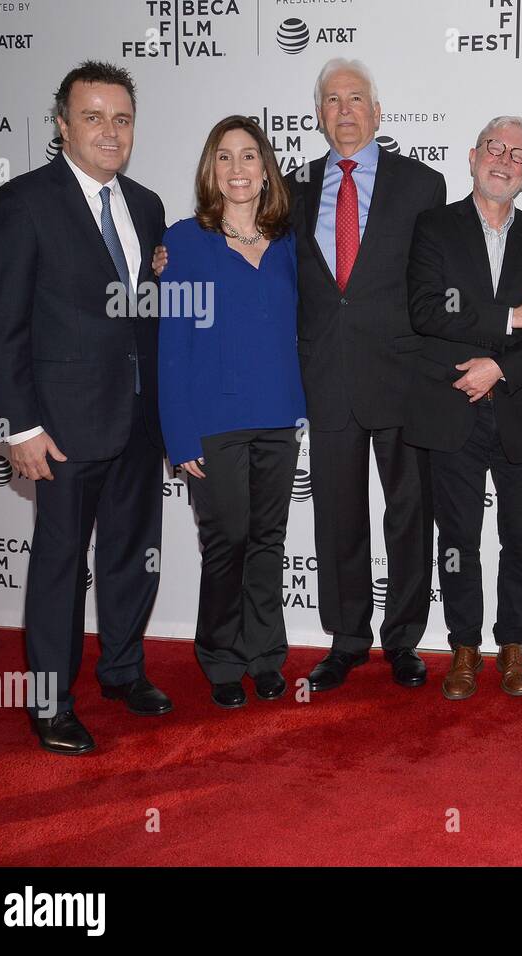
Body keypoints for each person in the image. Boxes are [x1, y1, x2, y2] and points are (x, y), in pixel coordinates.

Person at [0, 60, 171, 754]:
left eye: (121, 118)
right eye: (93, 117)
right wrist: (17, 424)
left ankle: (121, 671)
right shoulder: (21, 204)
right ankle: (49, 703)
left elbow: (143, 316)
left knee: (130, 553)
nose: (109, 131)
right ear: (61, 125)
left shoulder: (146, 206)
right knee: (59, 563)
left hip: (140, 421)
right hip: (58, 427)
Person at [285, 59, 446, 694]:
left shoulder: (421, 185)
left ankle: (403, 638)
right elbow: (246, 244)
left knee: (409, 513)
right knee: (337, 517)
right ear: (319, 115)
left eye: (356, 99)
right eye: (332, 100)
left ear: (377, 113)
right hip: (326, 376)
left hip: (403, 378)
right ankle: (347, 639)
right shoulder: (292, 188)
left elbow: (438, 282)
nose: (344, 110)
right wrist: (174, 254)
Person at [405, 116, 522, 700]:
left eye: (518, 155)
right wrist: (510, 317)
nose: (504, 160)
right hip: (451, 409)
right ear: (472, 156)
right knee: (457, 537)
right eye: (495, 149)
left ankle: (513, 644)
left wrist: (498, 365)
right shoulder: (433, 227)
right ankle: (463, 647)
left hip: (520, 408)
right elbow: (426, 310)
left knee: (521, 534)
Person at [158, 116, 306, 708]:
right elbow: (172, 346)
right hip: (212, 424)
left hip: (280, 416)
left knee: (268, 540)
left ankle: (266, 655)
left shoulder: (291, 242)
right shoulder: (185, 242)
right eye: (225, 157)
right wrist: (180, 435)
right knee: (227, 544)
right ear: (209, 170)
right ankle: (221, 659)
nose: (238, 169)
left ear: (266, 169)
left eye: (250, 157)